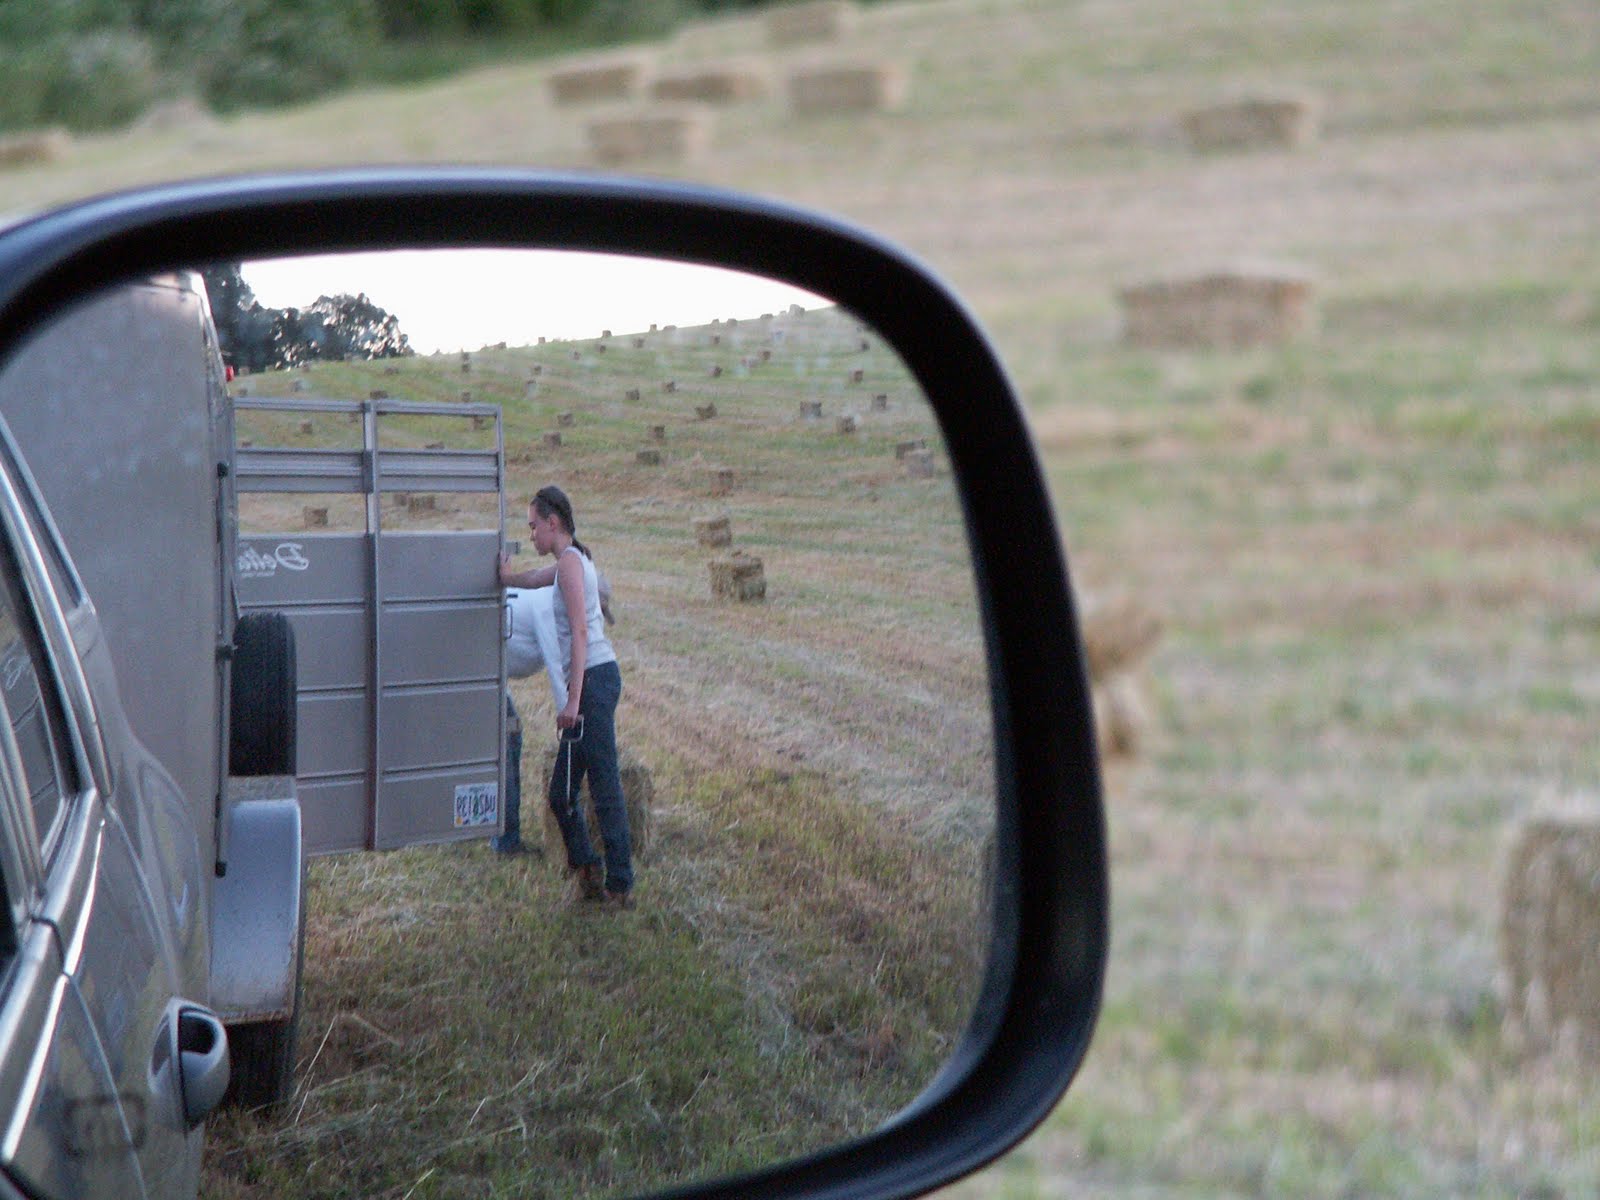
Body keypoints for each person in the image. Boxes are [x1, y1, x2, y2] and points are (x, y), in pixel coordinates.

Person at [498, 485, 632, 907]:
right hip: (590, 682)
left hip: (593, 682)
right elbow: (535, 579)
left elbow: (579, 633)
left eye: (534, 526)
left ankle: (620, 885)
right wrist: (505, 578)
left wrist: (572, 701)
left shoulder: (572, 564)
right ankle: (588, 869)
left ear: (553, 523)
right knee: (560, 795)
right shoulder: (567, 563)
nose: (532, 534)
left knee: (605, 786)